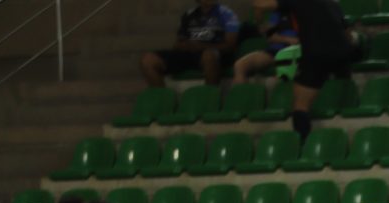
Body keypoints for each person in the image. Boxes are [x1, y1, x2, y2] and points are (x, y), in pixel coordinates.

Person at [255, 0, 354, 142]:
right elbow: (348, 35)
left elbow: (259, 4)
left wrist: (259, 22)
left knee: (300, 105)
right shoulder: (332, 4)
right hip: (342, 52)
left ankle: (303, 144)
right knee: (340, 73)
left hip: (316, 52)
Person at [140, 2, 241, 88]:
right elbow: (178, 43)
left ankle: (210, 99)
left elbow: (230, 45)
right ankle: (164, 103)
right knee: (148, 60)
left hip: (215, 53)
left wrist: (201, 46)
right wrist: (185, 46)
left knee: (209, 56)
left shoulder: (227, 14)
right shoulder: (188, 15)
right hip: (189, 53)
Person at [231, 2, 299, 84]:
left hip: (294, 52)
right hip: (274, 51)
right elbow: (270, 36)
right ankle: (241, 94)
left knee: (278, 79)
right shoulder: (278, 13)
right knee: (239, 66)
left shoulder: (308, 11)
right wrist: (288, 39)